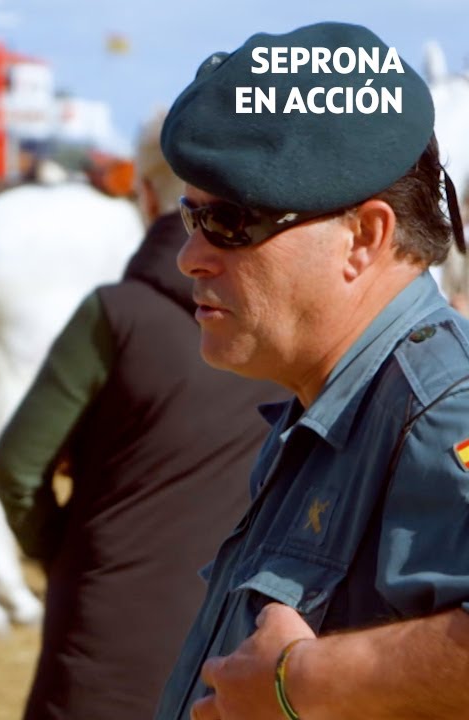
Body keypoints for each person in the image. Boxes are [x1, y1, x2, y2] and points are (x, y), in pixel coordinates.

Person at [150, 22, 469, 720]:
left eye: (232, 222)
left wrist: (314, 680)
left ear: (363, 237)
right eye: (191, 216)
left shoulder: (445, 409)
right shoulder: (338, 396)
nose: (191, 258)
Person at [0, 114, 285, 720]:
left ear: (145, 193)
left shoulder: (115, 314)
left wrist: (63, 551)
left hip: (104, 625)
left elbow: (16, 467)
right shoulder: (283, 330)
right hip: (239, 629)